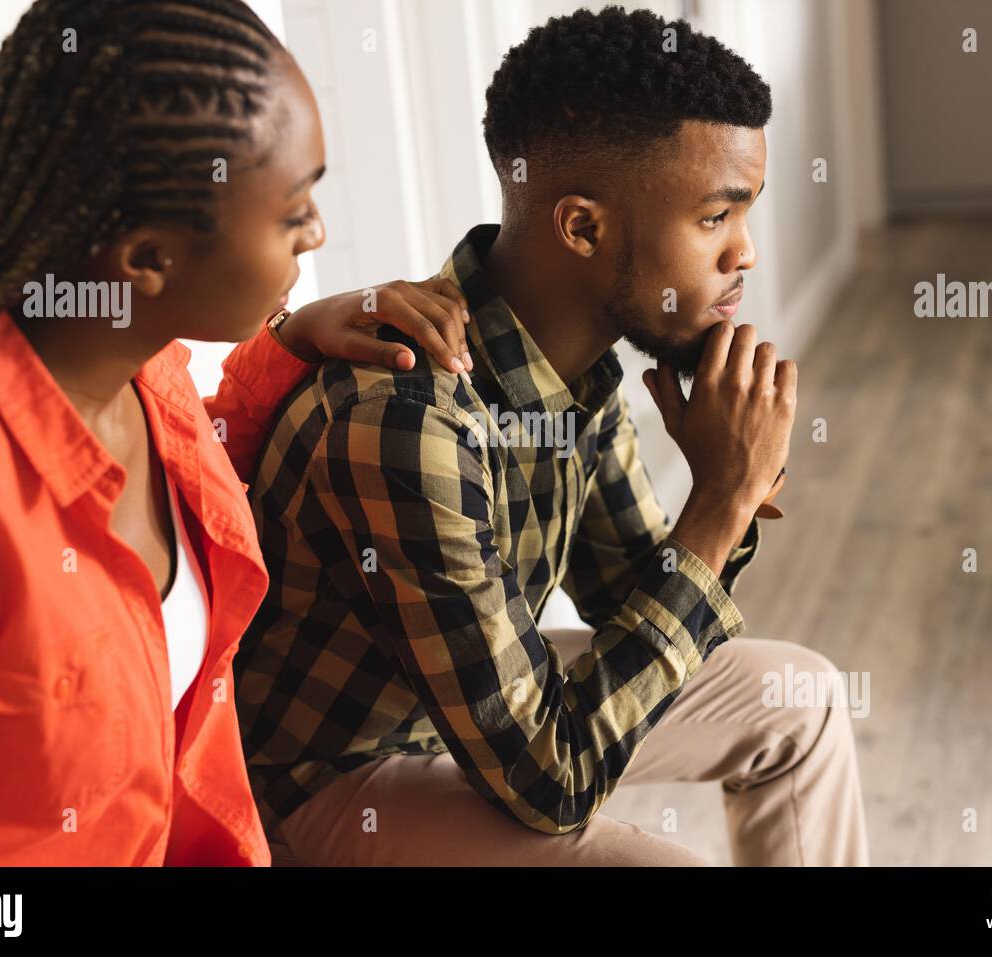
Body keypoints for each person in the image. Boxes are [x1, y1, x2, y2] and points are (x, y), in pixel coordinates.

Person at [237, 5, 869, 866]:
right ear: (581, 227)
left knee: (801, 699)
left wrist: (732, 486)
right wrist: (720, 505)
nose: (746, 254)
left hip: (480, 722)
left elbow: (639, 612)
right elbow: (552, 781)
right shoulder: (407, 414)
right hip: (332, 782)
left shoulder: (577, 369)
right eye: (716, 217)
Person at [0, 0, 470, 866]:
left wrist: (287, 343)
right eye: (292, 210)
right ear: (148, 259)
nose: (319, 233)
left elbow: (198, 483)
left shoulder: (143, 369)